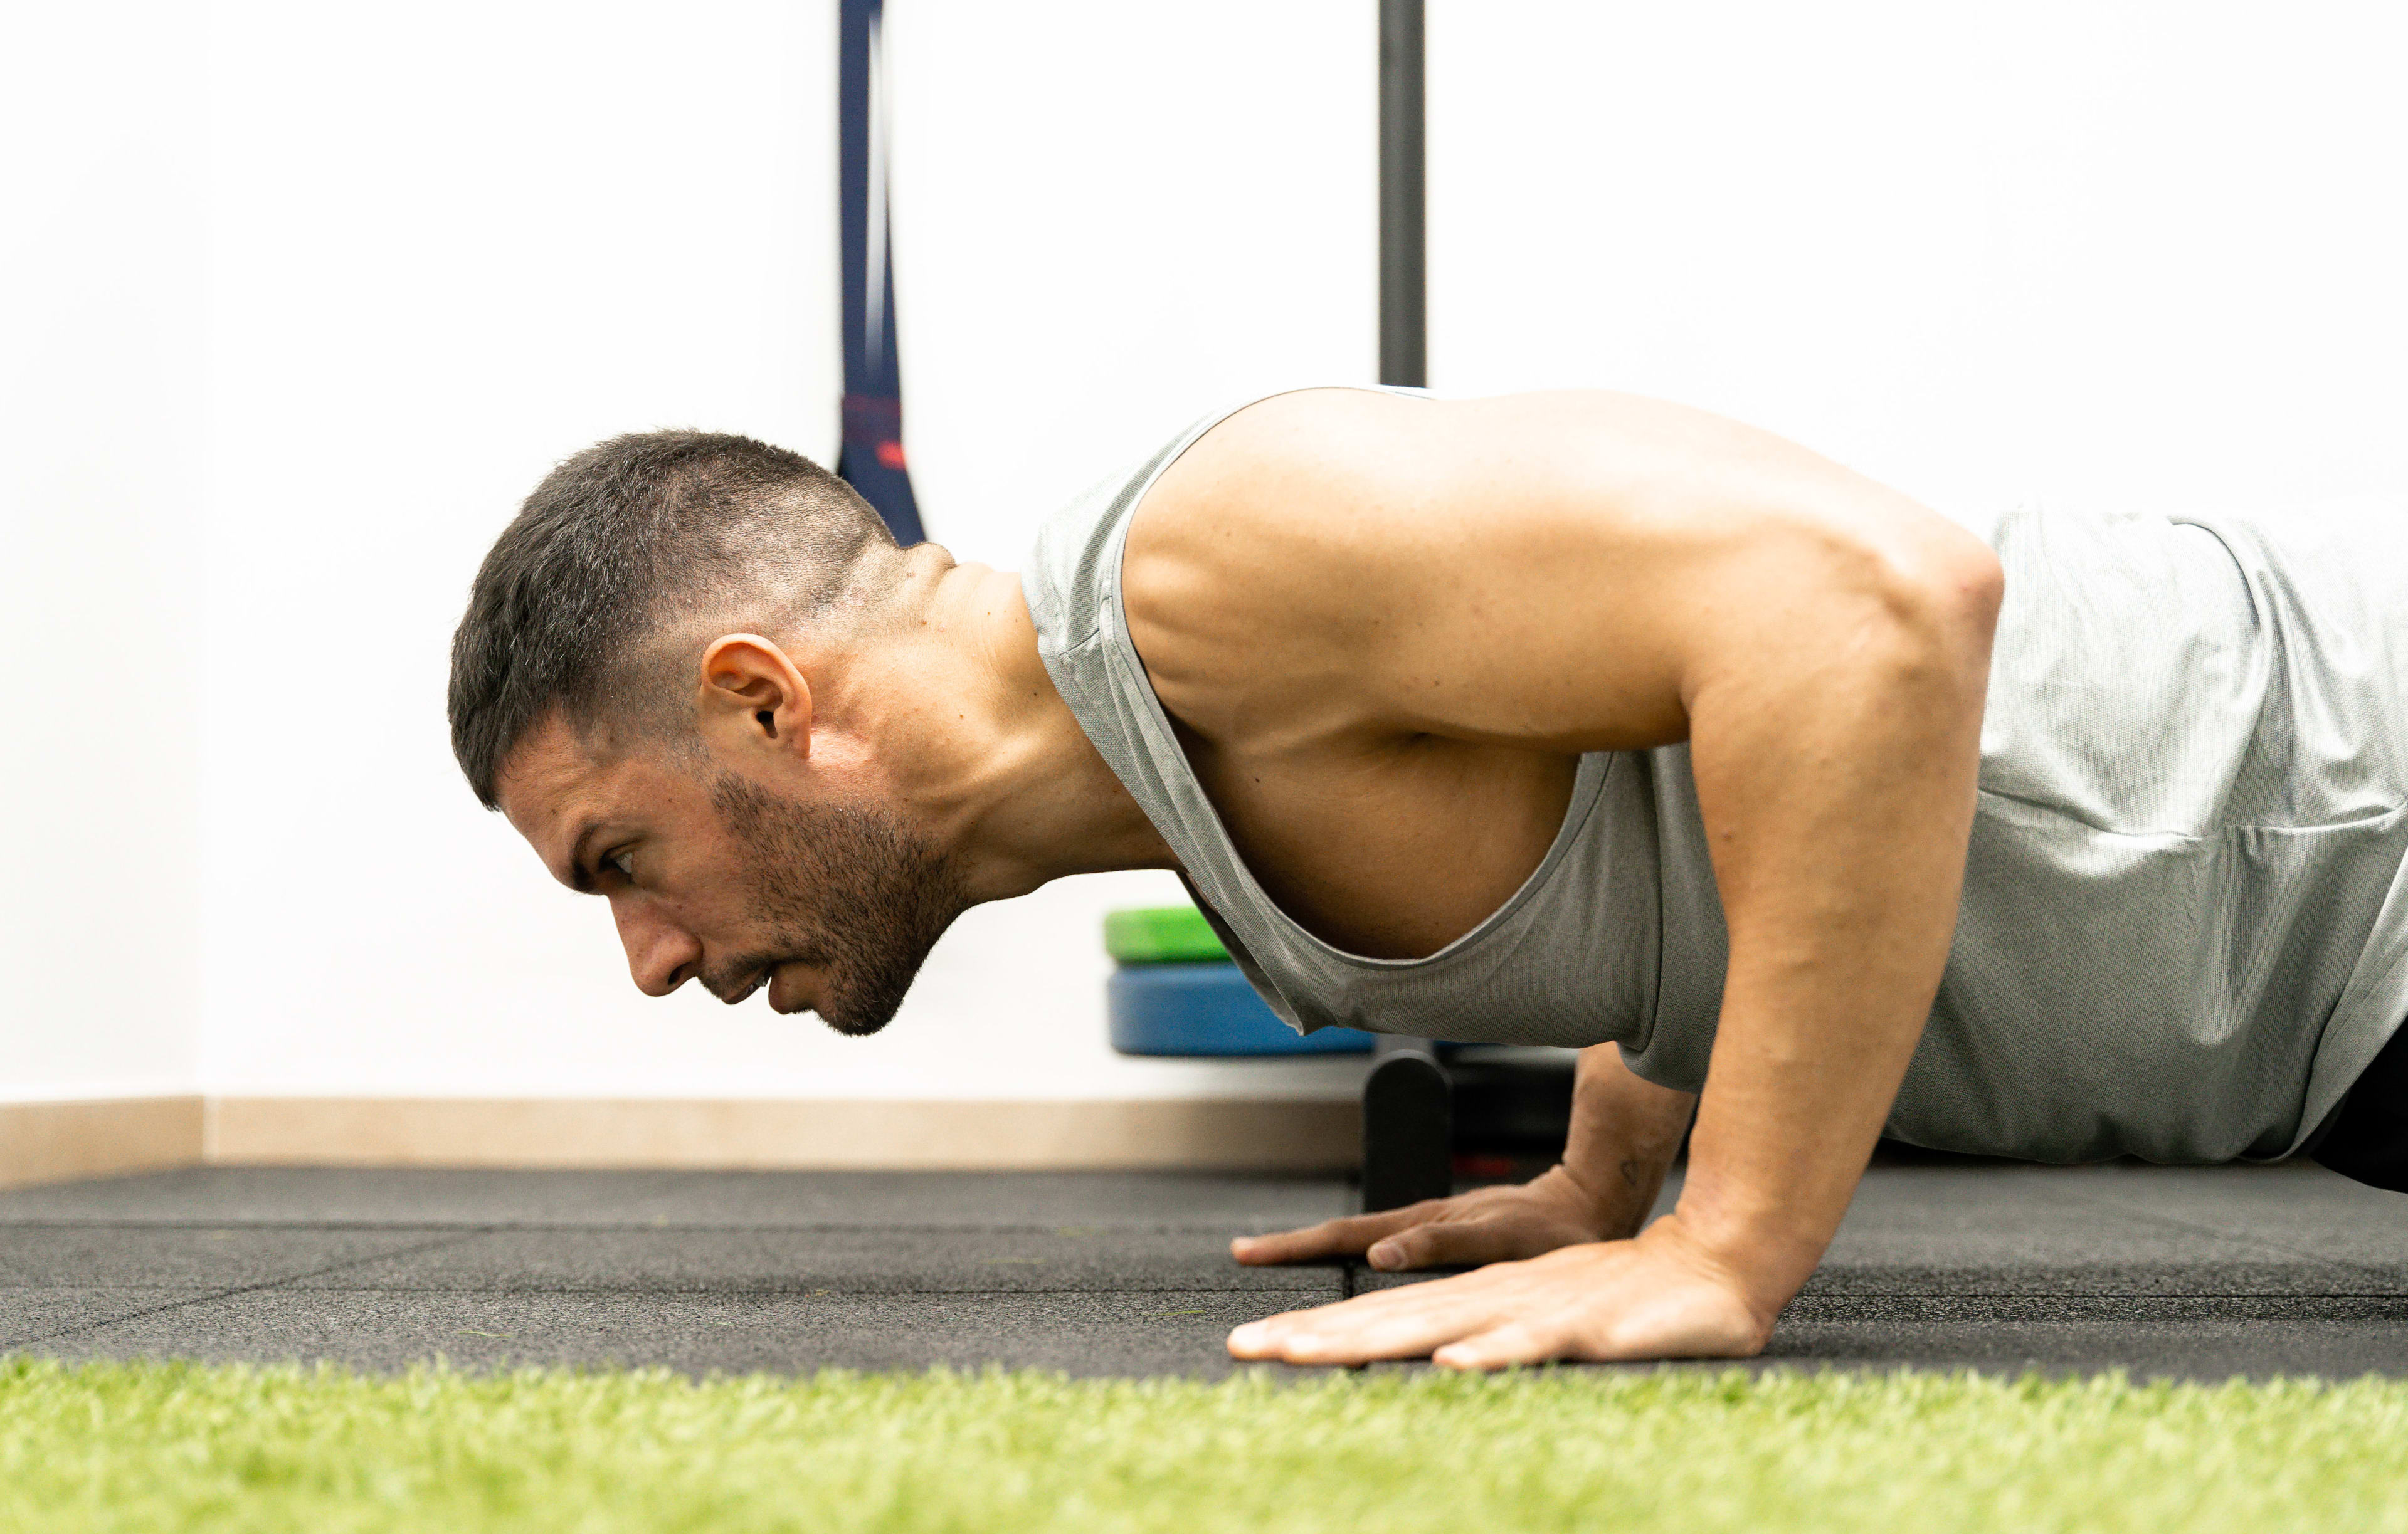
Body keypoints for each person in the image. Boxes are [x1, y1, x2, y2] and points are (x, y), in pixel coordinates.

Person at [449, 386, 2408, 1368]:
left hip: (2361, 844)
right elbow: (1675, 779)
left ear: (764, 704)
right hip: (2324, 1028)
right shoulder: (1153, 765)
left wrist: (1724, 1251)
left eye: (621, 860)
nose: (645, 959)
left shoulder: (1208, 556)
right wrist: (1600, 1178)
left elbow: (1875, 607)